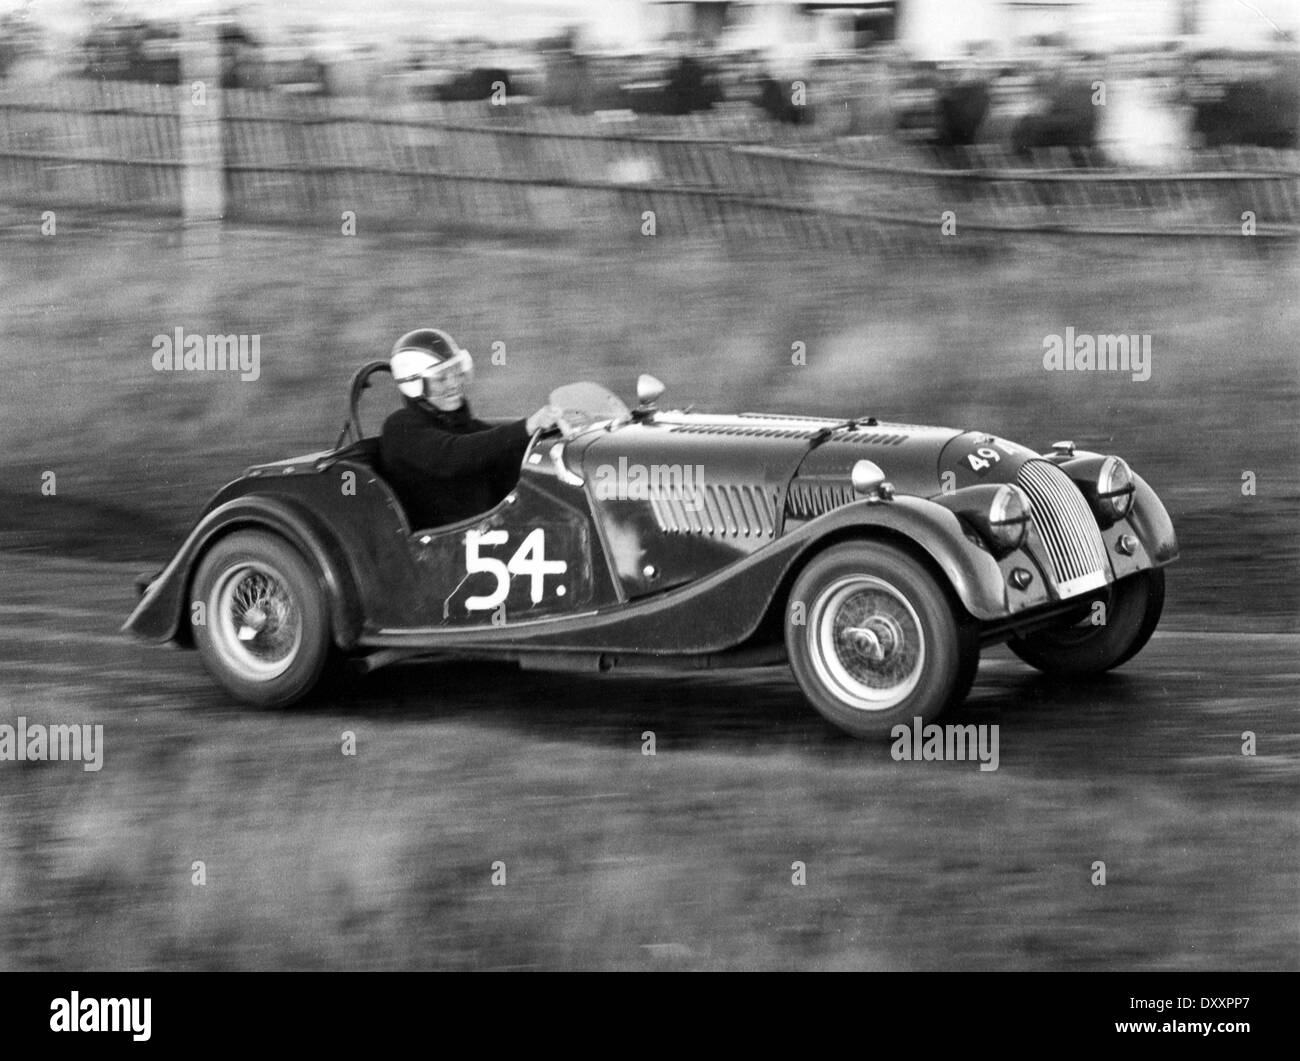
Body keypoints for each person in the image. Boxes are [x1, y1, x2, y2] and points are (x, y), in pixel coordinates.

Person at [380, 328, 562, 529]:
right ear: (414, 385)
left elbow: (499, 447)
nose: (455, 383)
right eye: (441, 379)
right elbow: (453, 454)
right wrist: (527, 427)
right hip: (448, 544)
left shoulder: (461, 426)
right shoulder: (400, 427)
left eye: (457, 372)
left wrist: (554, 433)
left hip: (492, 531)